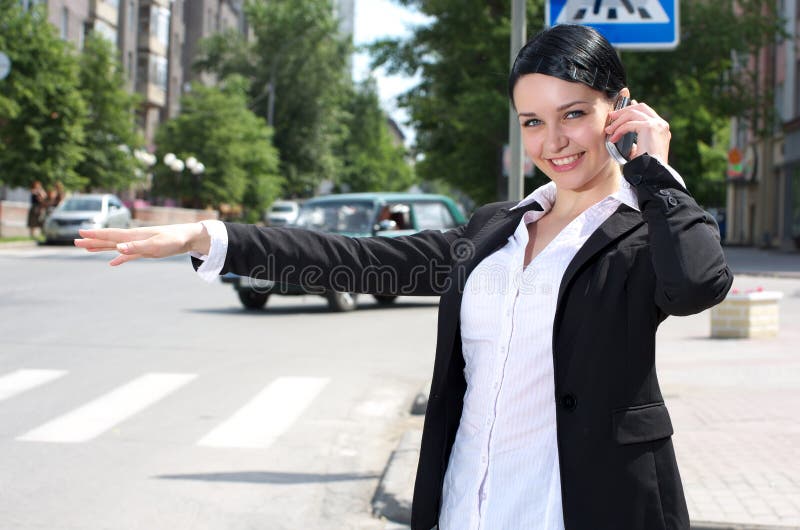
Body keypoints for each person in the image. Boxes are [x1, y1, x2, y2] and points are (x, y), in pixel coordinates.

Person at [75, 24, 732, 530]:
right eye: (533, 121)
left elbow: (699, 283)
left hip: (583, 509)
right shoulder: (493, 232)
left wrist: (652, 171)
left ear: (619, 110)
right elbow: (359, 260)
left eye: (575, 114)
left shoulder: (643, 230)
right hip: (465, 506)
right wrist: (209, 237)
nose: (553, 141)